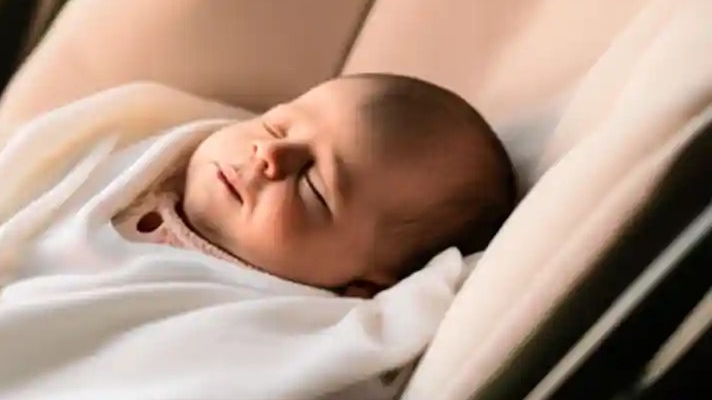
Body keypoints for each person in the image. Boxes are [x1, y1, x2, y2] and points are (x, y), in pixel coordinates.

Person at [115, 73, 517, 296]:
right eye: (275, 126)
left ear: (364, 284)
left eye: (312, 187)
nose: (269, 154)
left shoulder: (279, 325)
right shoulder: (127, 166)